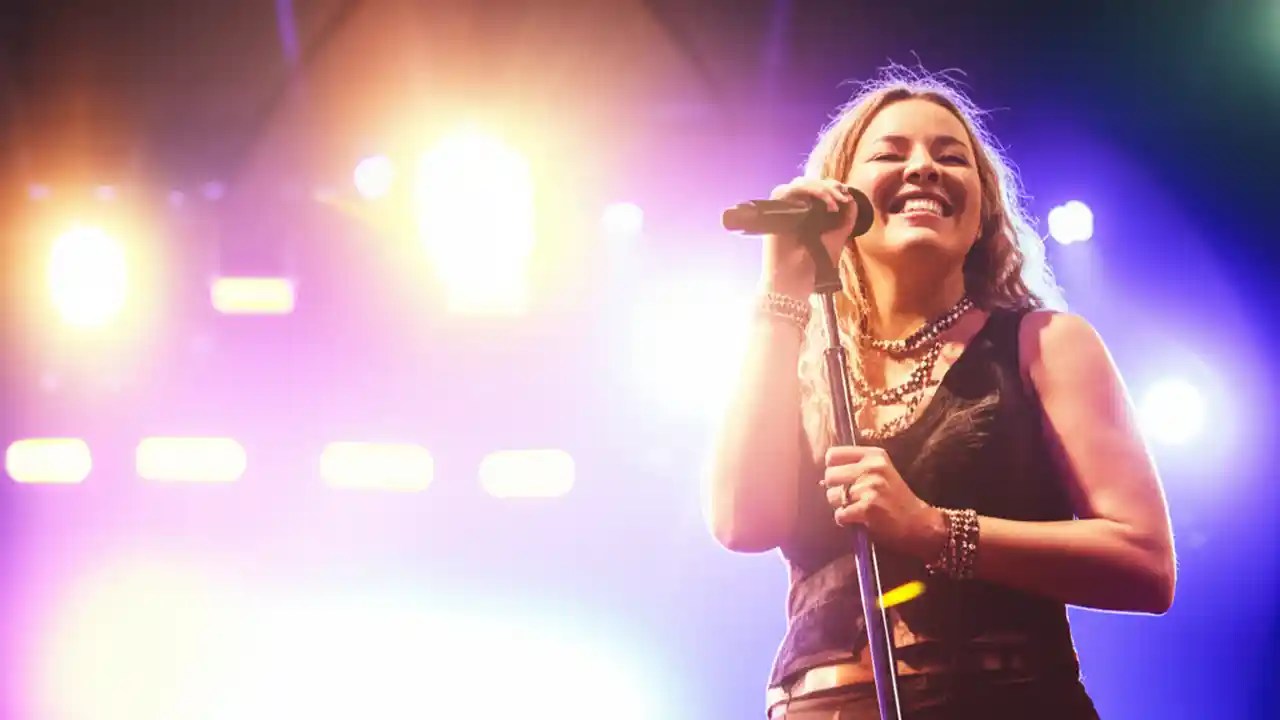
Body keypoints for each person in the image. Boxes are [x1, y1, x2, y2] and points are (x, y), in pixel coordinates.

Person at [706, 67, 1176, 719]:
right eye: (890, 154)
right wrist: (781, 290)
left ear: (983, 213)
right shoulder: (800, 359)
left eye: (950, 157)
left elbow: (1145, 563)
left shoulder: (1044, 343)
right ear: (842, 198)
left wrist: (931, 529)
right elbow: (742, 524)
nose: (924, 168)